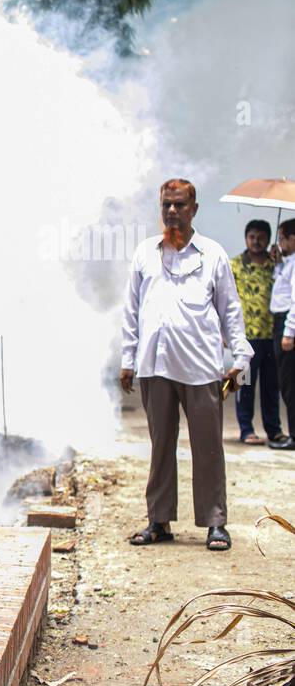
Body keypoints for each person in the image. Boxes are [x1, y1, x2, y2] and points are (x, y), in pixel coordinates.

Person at [120, 179, 252, 552]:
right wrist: (128, 360)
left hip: (201, 365)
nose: (172, 212)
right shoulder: (146, 253)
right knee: (161, 445)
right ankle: (159, 521)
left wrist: (240, 360)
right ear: (160, 208)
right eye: (166, 205)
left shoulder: (213, 254)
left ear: (194, 209)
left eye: (179, 205)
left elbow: (230, 310)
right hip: (155, 364)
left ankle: (215, 523)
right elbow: (131, 311)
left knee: (207, 446)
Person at [229, 219, 284, 445]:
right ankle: (246, 429)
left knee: (271, 387)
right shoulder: (234, 265)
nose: (256, 241)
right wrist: (225, 332)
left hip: (271, 335)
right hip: (245, 338)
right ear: (245, 238)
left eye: (261, 237)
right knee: (245, 384)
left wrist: (281, 260)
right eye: (252, 236)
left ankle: (274, 430)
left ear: (268, 239)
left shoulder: (276, 266)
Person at [268, 218, 295, 450]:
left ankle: (294, 435)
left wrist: (289, 332)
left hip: (287, 323)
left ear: (292, 239)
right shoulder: (288, 262)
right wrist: (278, 260)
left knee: (289, 384)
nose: (280, 243)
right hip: (281, 322)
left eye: (282, 239)